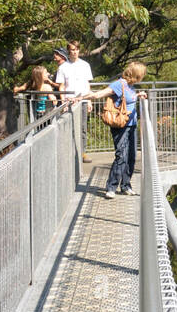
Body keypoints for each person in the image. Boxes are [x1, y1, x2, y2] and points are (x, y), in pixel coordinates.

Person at [85, 62, 148, 197]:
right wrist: (79, 98)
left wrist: (138, 96)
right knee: (121, 156)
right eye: (141, 75)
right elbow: (98, 95)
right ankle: (111, 187)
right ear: (136, 75)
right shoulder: (119, 84)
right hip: (121, 126)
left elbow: (127, 100)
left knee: (131, 156)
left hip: (132, 125)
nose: (142, 77)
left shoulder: (131, 86)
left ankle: (126, 185)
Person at [56, 40, 94, 161]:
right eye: (72, 50)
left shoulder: (85, 65)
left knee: (82, 127)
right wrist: (63, 103)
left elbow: (87, 84)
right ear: (68, 51)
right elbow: (61, 86)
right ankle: (68, 153)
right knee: (68, 127)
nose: (75, 52)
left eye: (76, 49)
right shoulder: (63, 67)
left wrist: (89, 101)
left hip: (82, 100)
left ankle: (82, 152)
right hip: (69, 102)